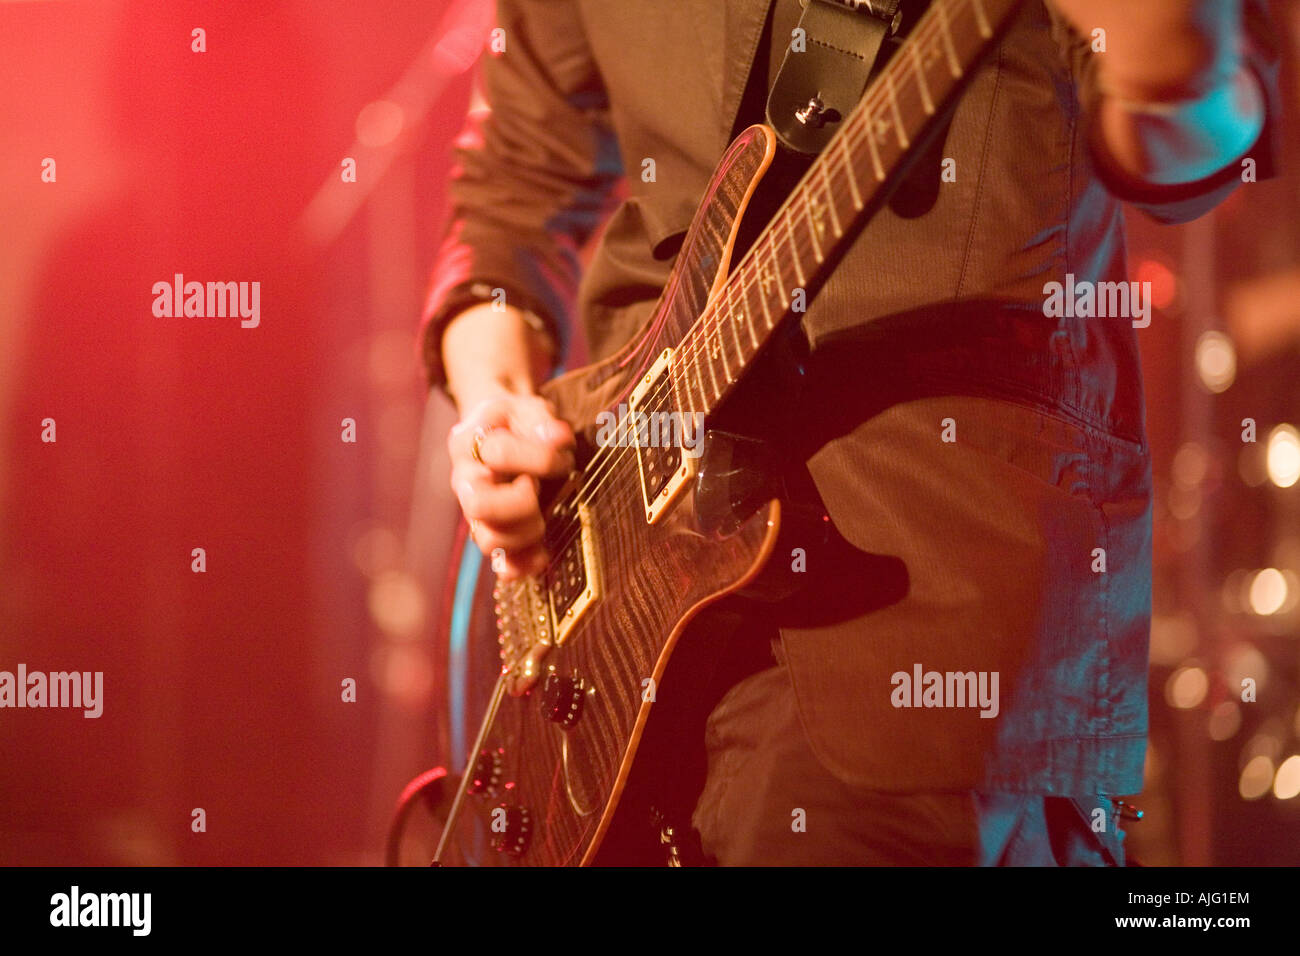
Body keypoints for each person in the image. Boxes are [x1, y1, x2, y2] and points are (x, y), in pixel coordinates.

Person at [418, 0, 1278, 865]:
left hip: (926, 596)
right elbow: (511, 190)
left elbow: (1205, 146)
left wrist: (1169, 72)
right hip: (611, 607)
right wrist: (494, 403)